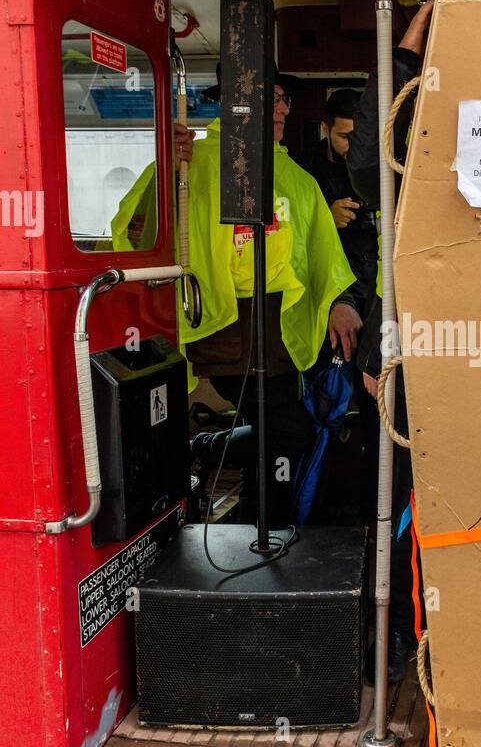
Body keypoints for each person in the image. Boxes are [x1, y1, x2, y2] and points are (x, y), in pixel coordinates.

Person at [113, 75, 362, 526]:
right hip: (221, 327)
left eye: (285, 100)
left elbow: (324, 252)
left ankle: (252, 513)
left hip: (281, 332)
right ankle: (258, 523)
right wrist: (167, 170)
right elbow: (137, 234)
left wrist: (342, 300)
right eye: (273, 100)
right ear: (235, 106)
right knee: (287, 430)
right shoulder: (194, 162)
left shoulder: (296, 178)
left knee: (282, 432)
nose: (284, 109)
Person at [346, 0, 434, 682]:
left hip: (447, 357)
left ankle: (413, 636)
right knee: (401, 507)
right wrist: (405, 55)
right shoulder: (398, 180)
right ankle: (398, 638)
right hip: (412, 357)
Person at [309, 88, 378, 302]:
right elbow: (290, 235)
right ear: (324, 129)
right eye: (344, 137)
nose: (354, 145)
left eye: (358, 137)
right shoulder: (305, 171)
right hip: (328, 289)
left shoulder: (379, 167)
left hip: (374, 283)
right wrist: (327, 218)